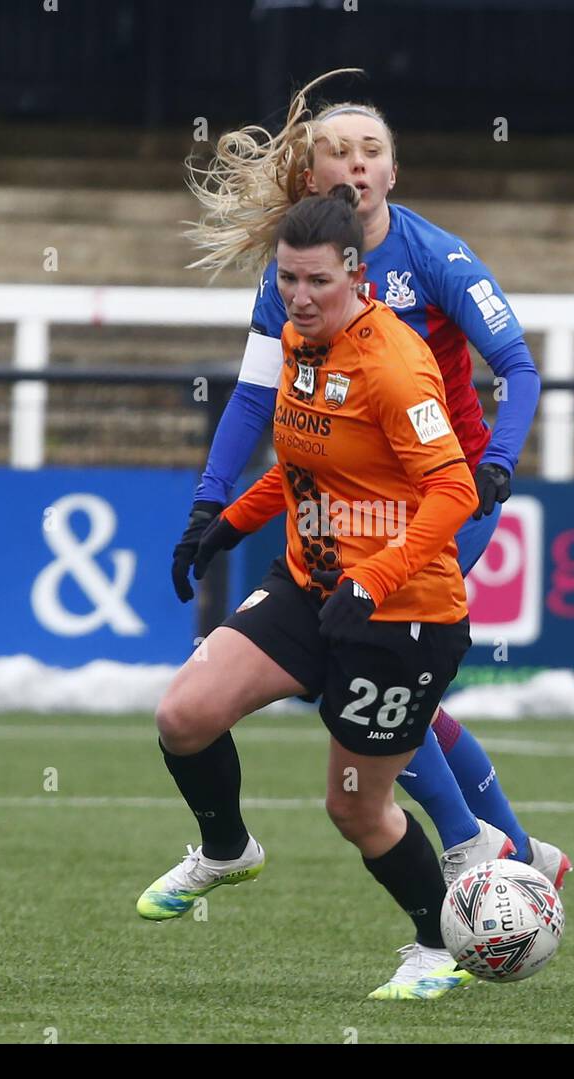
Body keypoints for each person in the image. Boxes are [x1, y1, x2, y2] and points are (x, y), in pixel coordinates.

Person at [172, 69, 571, 889]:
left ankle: (473, 855)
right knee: (379, 687)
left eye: (371, 151)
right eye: (336, 152)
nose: (354, 164)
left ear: (393, 171)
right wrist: (214, 500)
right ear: (310, 175)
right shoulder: (299, 271)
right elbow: (254, 398)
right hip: (348, 505)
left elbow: (519, 370)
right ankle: (519, 852)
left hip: (440, 498)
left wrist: (498, 459)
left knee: (376, 665)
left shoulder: (436, 257)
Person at [140, 186, 480, 1000]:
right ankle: (226, 848)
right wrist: (226, 521)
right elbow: (306, 465)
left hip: (402, 613)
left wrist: (374, 575)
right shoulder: (296, 339)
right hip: (309, 585)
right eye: (288, 278)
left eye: (317, 281)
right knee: (183, 717)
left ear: (356, 274)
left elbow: (455, 492)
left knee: (355, 808)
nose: (299, 296)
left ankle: (439, 944)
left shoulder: (394, 364)